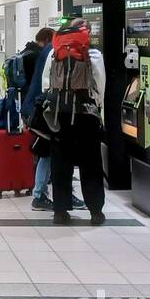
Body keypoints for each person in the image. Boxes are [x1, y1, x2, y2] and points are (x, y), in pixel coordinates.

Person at [40, 17, 107, 225]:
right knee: (91, 163)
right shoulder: (93, 54)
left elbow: (46, 83)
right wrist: (98, 108)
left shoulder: (53, 53)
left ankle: (60, 211)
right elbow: (100, 85)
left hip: (59, 114)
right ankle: (95, 211)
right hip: (86, 115)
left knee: (60, 162)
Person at [21, 27, 57, 209]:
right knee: (46, 151)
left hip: (30, 107)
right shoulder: (48, 52)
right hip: (40, 109)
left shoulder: (33, 52)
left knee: (45, 151)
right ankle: (40, 194)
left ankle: (41, 192)